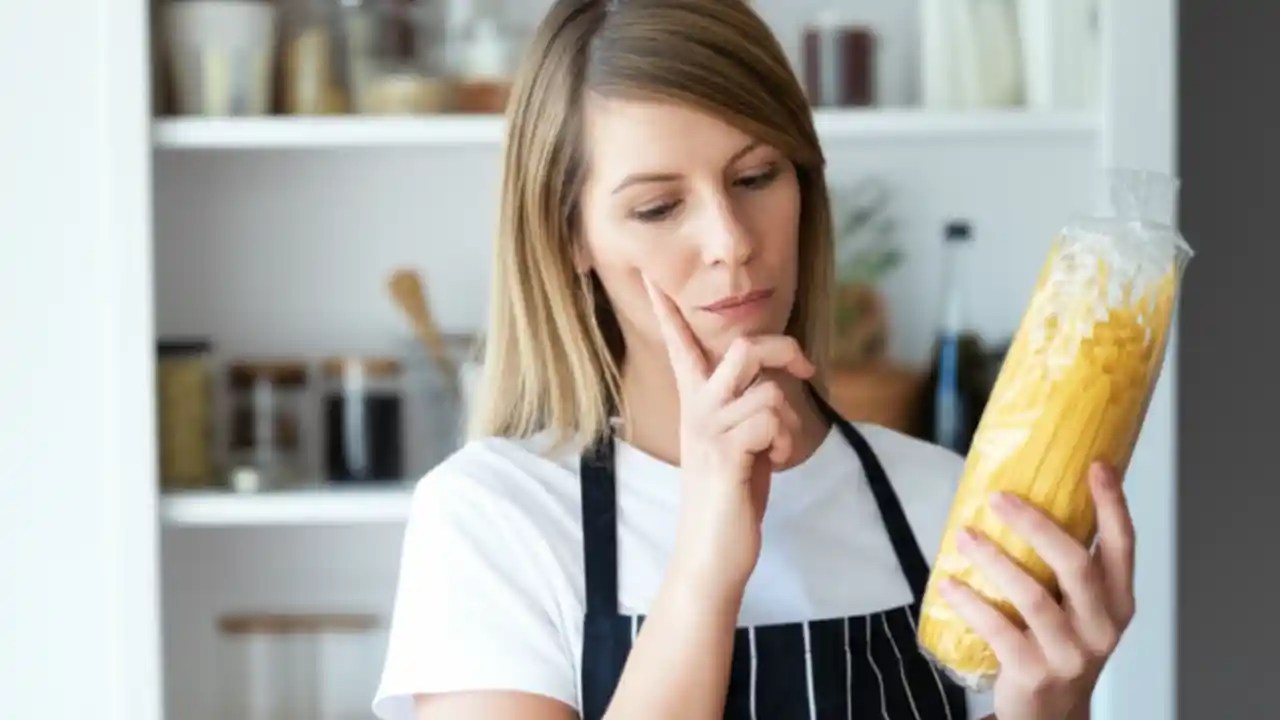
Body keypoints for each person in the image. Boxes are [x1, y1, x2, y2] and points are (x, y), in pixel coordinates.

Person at [373, 1, 1138, 718]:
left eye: (754, 177)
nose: (731, 240)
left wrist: (1051, 710)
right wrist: (706, 569)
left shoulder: (945, 507)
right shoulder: (494, 519)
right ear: (570, 236)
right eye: (658, 207)